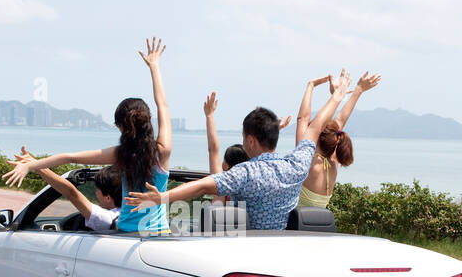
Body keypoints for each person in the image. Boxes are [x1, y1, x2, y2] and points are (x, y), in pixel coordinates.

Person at [126, 70, 353, 230]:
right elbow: (313, 129)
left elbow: (204, 184)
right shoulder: (296, 165)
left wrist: (163, 197)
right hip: (284, 248)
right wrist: (337, 96)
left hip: (245, 251)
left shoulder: (246, 173)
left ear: (251, 140)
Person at [4, 37, 173, 234]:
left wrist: (31, 165)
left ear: (120, 127)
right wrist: (154, 66)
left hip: (125, 234)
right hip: (159, 235)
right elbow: (163, 104)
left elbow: (70, 157)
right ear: (148, 121)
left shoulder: (120, 154)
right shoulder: (163, 151)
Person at [296, 71, 379, 210]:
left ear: (315, 136)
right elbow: (339, 121)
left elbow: (302, 118)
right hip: (319, 229)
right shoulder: (333, 163)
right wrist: (358, 90)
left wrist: (311, 86)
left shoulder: (307, 161)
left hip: (295, 227)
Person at [15, 155, 122, 231]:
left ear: (108, 198)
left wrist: (35, 165)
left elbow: (71, 192)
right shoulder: (132, 215)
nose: (96, 192)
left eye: (97, 190)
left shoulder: (106, 219)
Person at [204, 92, 290, 174]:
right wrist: (273, 130)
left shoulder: (222, 182)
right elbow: (264, 149)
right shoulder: (256, 175)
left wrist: (209, 115)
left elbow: (213, 150)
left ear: (226, 165)